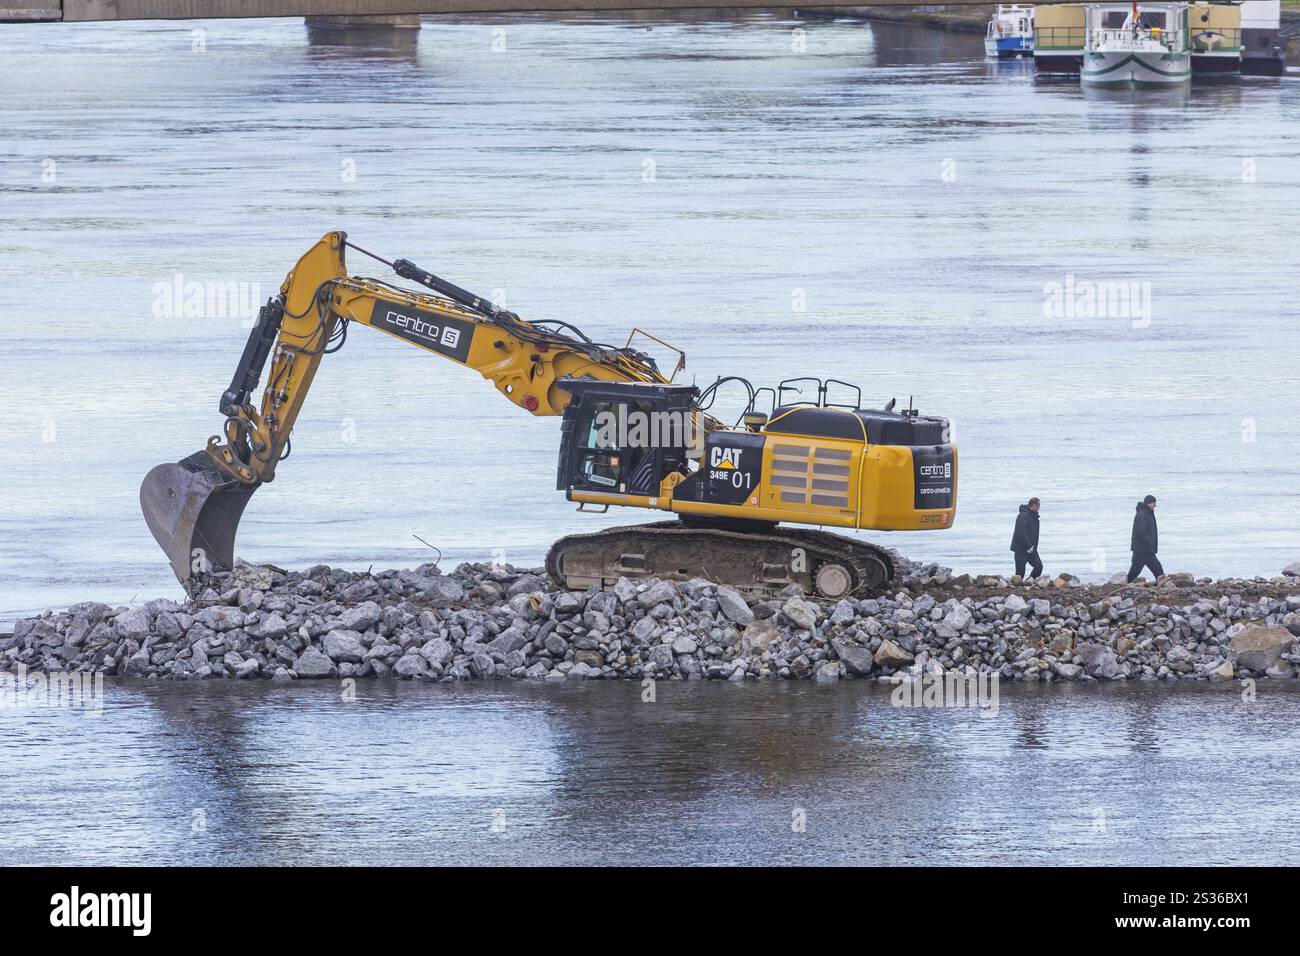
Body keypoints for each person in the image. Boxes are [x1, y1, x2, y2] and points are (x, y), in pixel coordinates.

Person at [1127, 495, 1164, 582]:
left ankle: (1161, 583)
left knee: (1155, 568)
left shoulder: (1147, 512)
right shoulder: (1142, 514)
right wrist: (1150, 542)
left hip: (1144, 549)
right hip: (1142, 549)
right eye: (1154, 503)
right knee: (1136, 570)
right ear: (1149, 503)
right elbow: (1141, 531)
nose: (1155, 505)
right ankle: (1127, 582)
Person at [1010, 497, 1043, 579]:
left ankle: (1030, 581)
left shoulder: (1034, 516)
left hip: (1031, 549)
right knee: (1020, 573)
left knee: (1039, 566)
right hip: (1021, 549)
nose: (1039, 507)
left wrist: (1031, 547)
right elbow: (1021, 532)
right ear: (1033, 505)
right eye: (1038, 505)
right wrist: (1028, 546)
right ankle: (1019, 586)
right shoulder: (1023, 515)